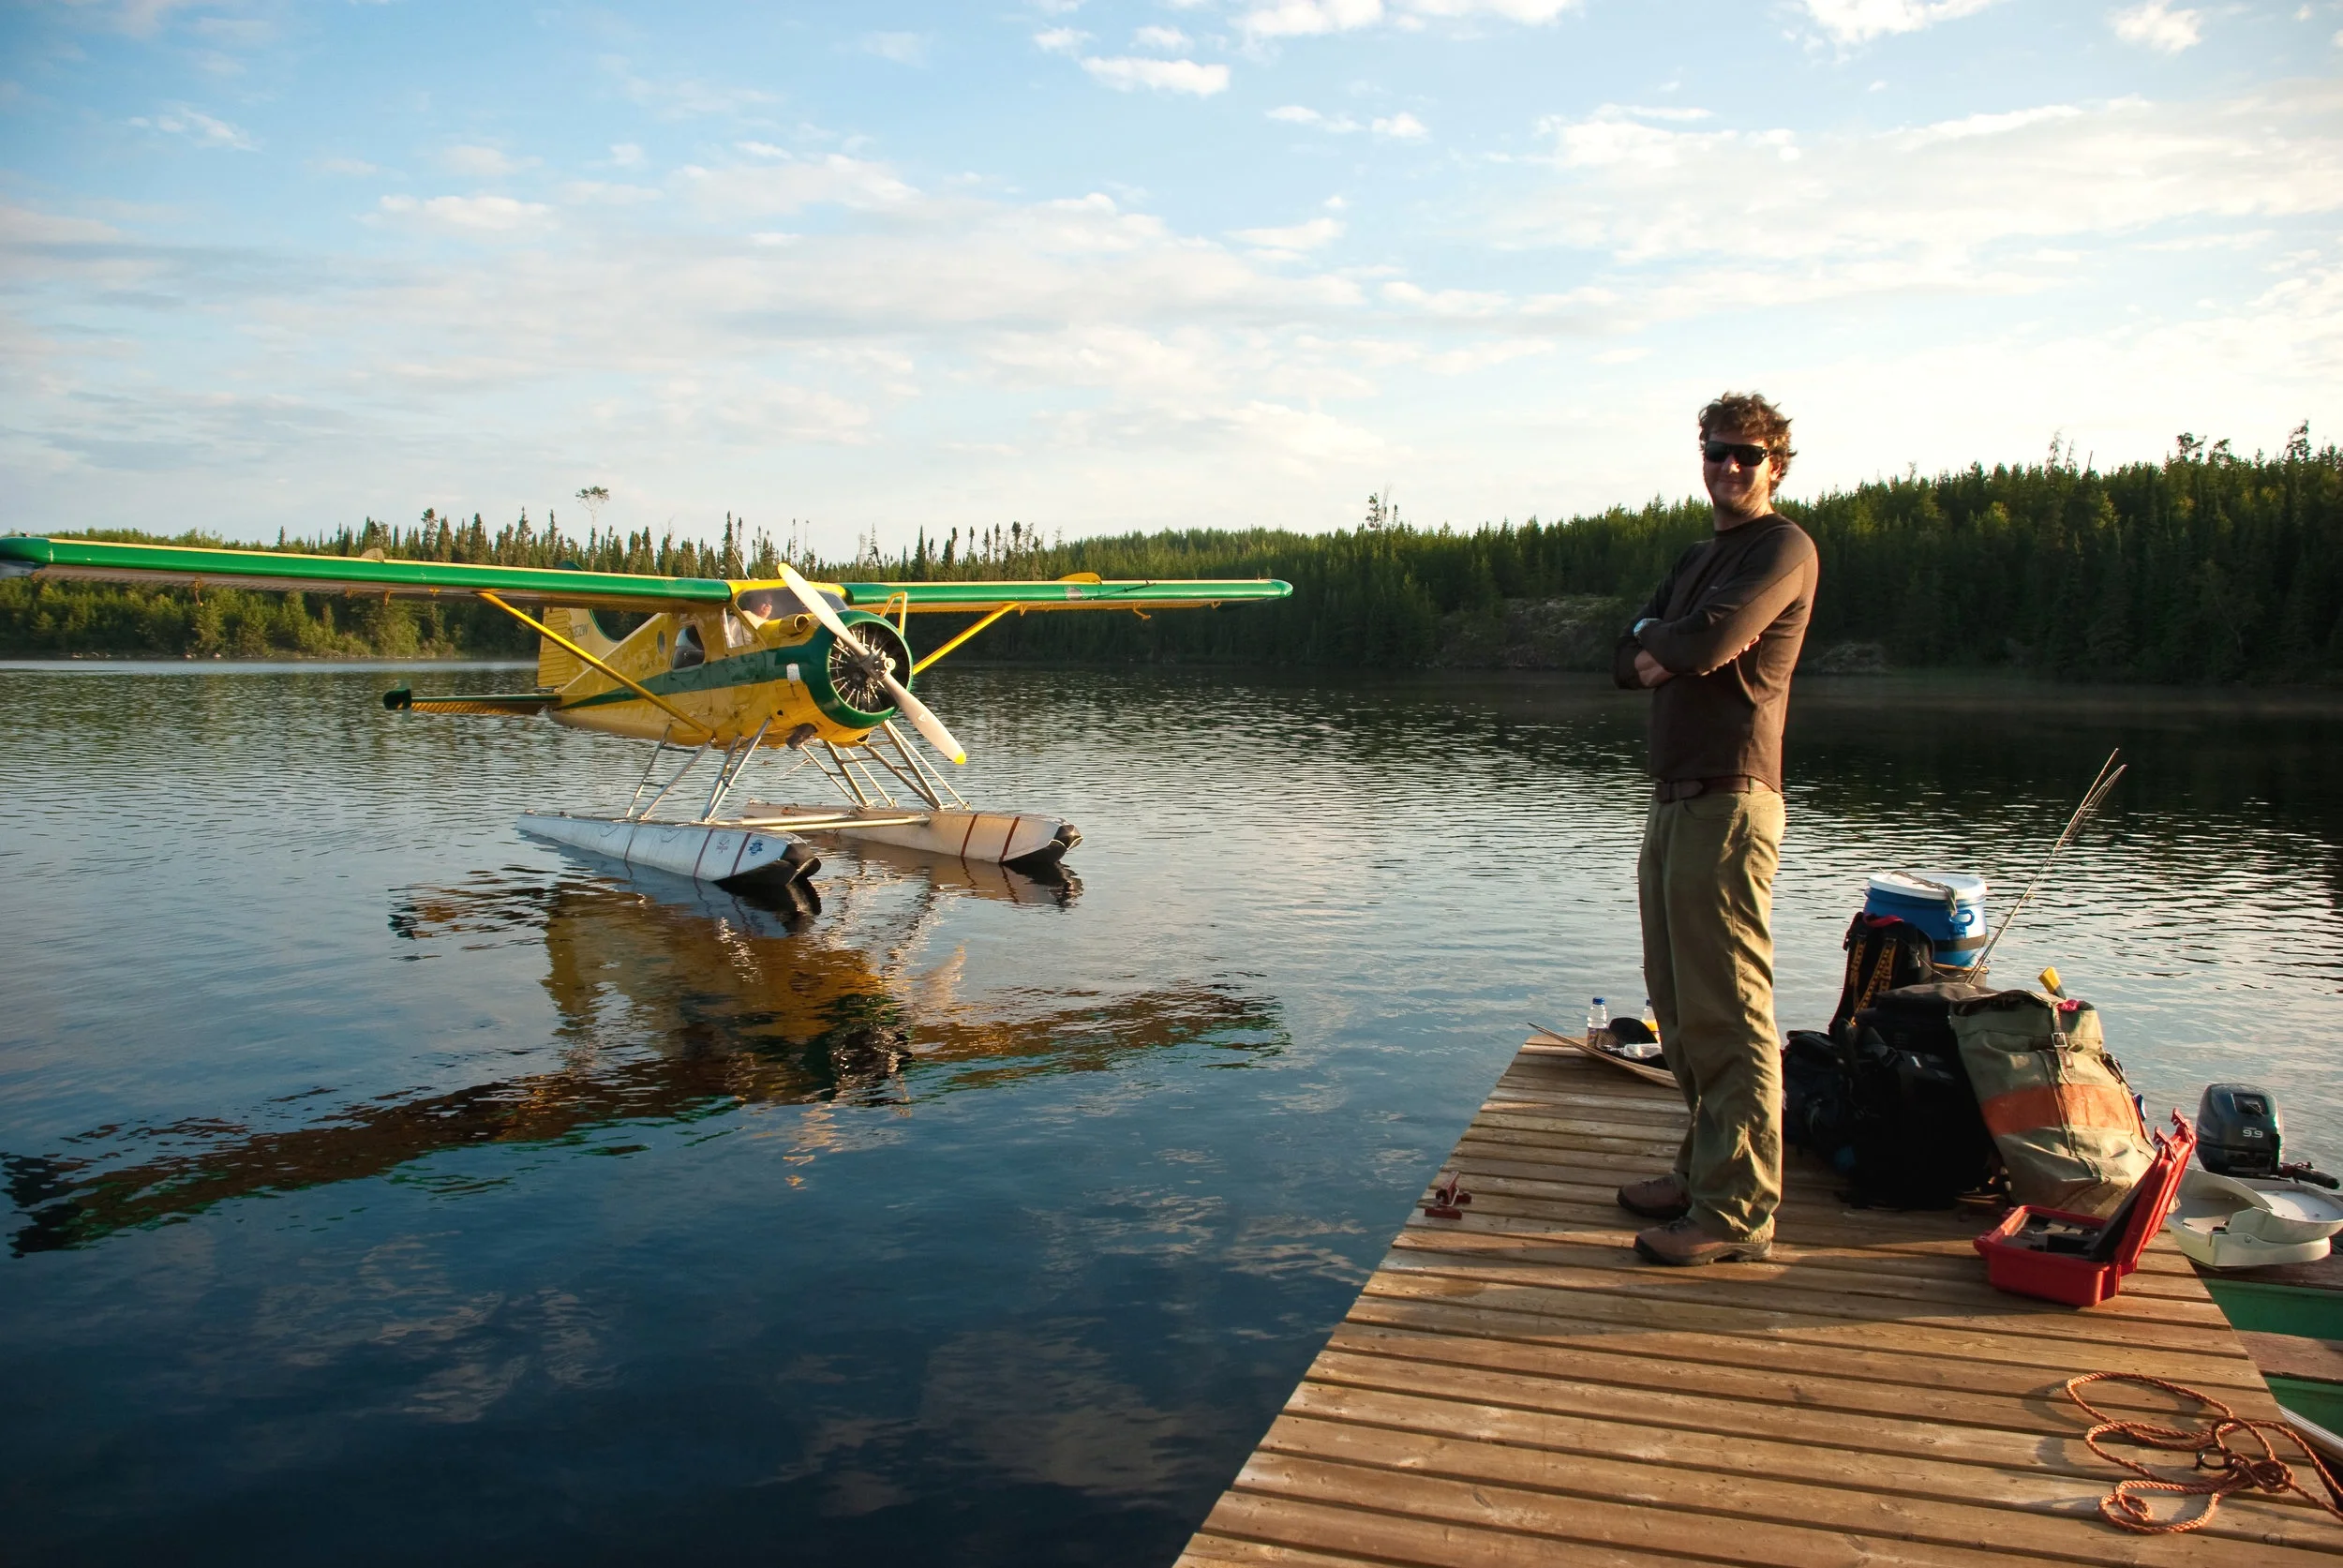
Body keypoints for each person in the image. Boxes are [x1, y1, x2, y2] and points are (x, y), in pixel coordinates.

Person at [1610, 392, 1818, 1266]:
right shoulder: (1700, 555)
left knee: (1729, 1008)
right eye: (1715, 452)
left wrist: (1667, 639)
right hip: (1673, 799)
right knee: (1677, 1003)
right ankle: (1702, 1169)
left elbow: (1699, 649)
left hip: (1732, 800)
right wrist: (1664, 638)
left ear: (1776, 464)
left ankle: (1737, 1210)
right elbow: (1626, 662)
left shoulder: (1783, 548)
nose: (1728, 467)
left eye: (1746, 454)